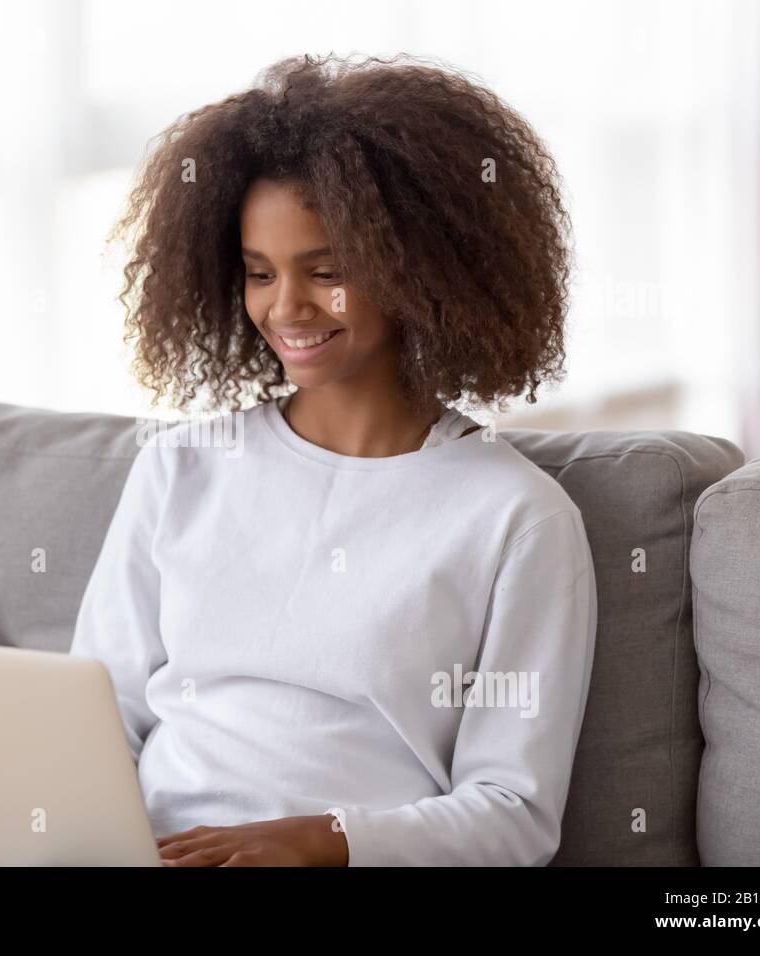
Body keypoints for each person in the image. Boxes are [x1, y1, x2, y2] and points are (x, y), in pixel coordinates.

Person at [69, 53, 597, 867]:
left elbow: (514, 814)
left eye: (328, 273)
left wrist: (325, 841)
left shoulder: (516, 518)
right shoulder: (181, 468)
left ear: (421, 274)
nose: (286, 308)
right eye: (258, 274)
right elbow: (92, 724)